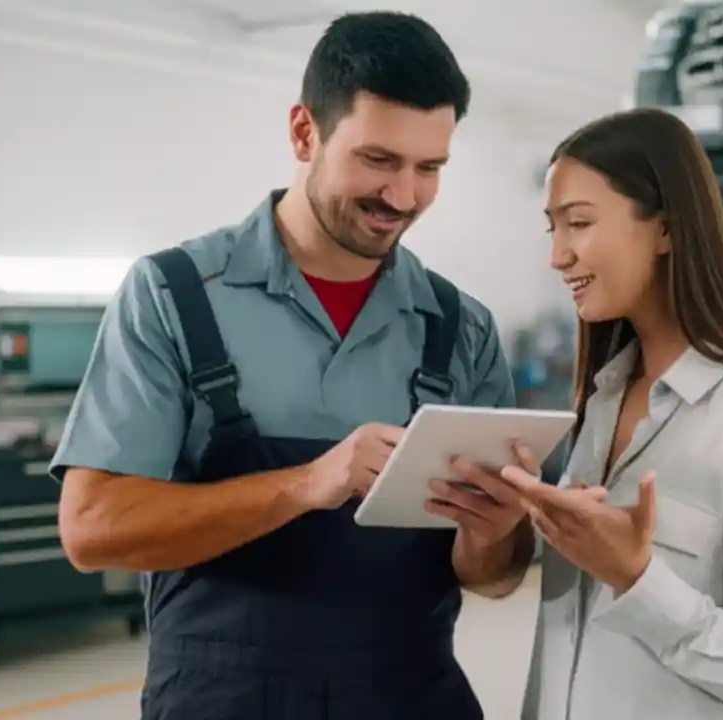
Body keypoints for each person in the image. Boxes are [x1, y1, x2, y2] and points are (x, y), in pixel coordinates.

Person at [50, 12, 535, 719]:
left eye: (428, 169)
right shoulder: (176, 297)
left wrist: (493, 535)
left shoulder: (460, 329)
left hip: (411, 697)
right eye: (377, 160)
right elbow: (91, 530)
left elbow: (494, 578)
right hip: (223, 700)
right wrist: (310, 483)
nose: (402, 197)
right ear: (305, 133)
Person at [504, 108, 723, 719]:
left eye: (578, 223)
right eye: (552, 228)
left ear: (666, 229)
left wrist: (638, 579)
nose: (558, 255)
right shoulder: (601, 401)